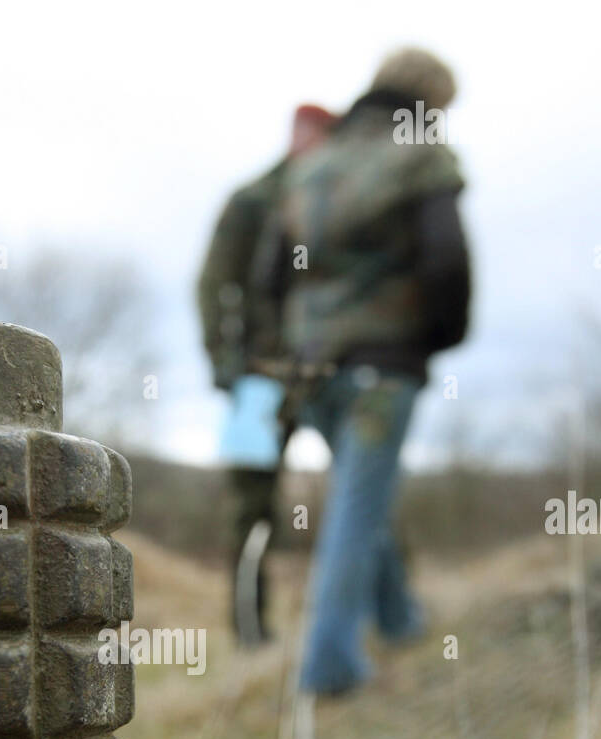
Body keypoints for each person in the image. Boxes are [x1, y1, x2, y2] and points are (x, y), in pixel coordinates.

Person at [257, 48, 471, 695]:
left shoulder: (309, 167)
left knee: (360, 493)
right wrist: (439, 335)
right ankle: (329, 667)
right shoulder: (421, 156)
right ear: (429, 101)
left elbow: (268, 276)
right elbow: (448, 259)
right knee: (357, 505)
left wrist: (282, 353)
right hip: (384, 362)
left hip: (312, 367)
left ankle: (400, 619)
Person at [196, 105, 335, 645]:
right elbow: (212, 283)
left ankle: (376, 623)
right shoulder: (252, 201)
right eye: (319, 135)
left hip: (326, 372)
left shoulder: (340, 205)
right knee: (251, 507)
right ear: (299, 135)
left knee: (362, 489)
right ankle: (251, 634)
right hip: (255, 376)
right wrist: (225, 364)